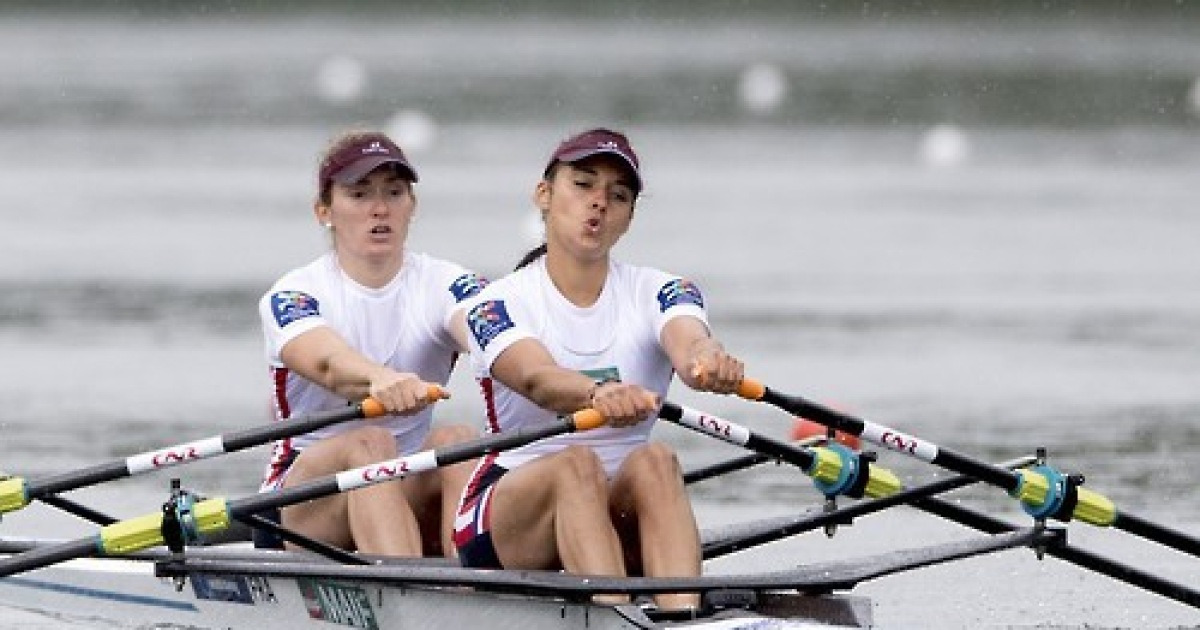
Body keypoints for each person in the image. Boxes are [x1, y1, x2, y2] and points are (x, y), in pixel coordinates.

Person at [452, 128, 744, 610]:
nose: (599, 203)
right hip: (508, 519)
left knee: (656, 460)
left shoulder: (662, 290)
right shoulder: (494, 304)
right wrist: (595, 393)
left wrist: (708, 360)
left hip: (617, 511)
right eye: (583, 184)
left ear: (629, 217)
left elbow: (690, 341)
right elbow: (536, 378)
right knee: (576, 464)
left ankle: (681, 614)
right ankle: (616, 614)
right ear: (543, 195)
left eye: (618, 195)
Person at [257, 130, 486, 558]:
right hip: (301, 503)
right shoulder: (294, 294)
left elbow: (497, 340)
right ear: (324, 211)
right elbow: (327, 363)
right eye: (359, 194)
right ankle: (408, 590)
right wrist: (378, 380)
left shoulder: (449, 284)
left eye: (394, 193)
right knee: (370, 442)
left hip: (401, 486)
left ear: (412, 205)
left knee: (458, 440)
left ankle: (472, 589)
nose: (380, 209)